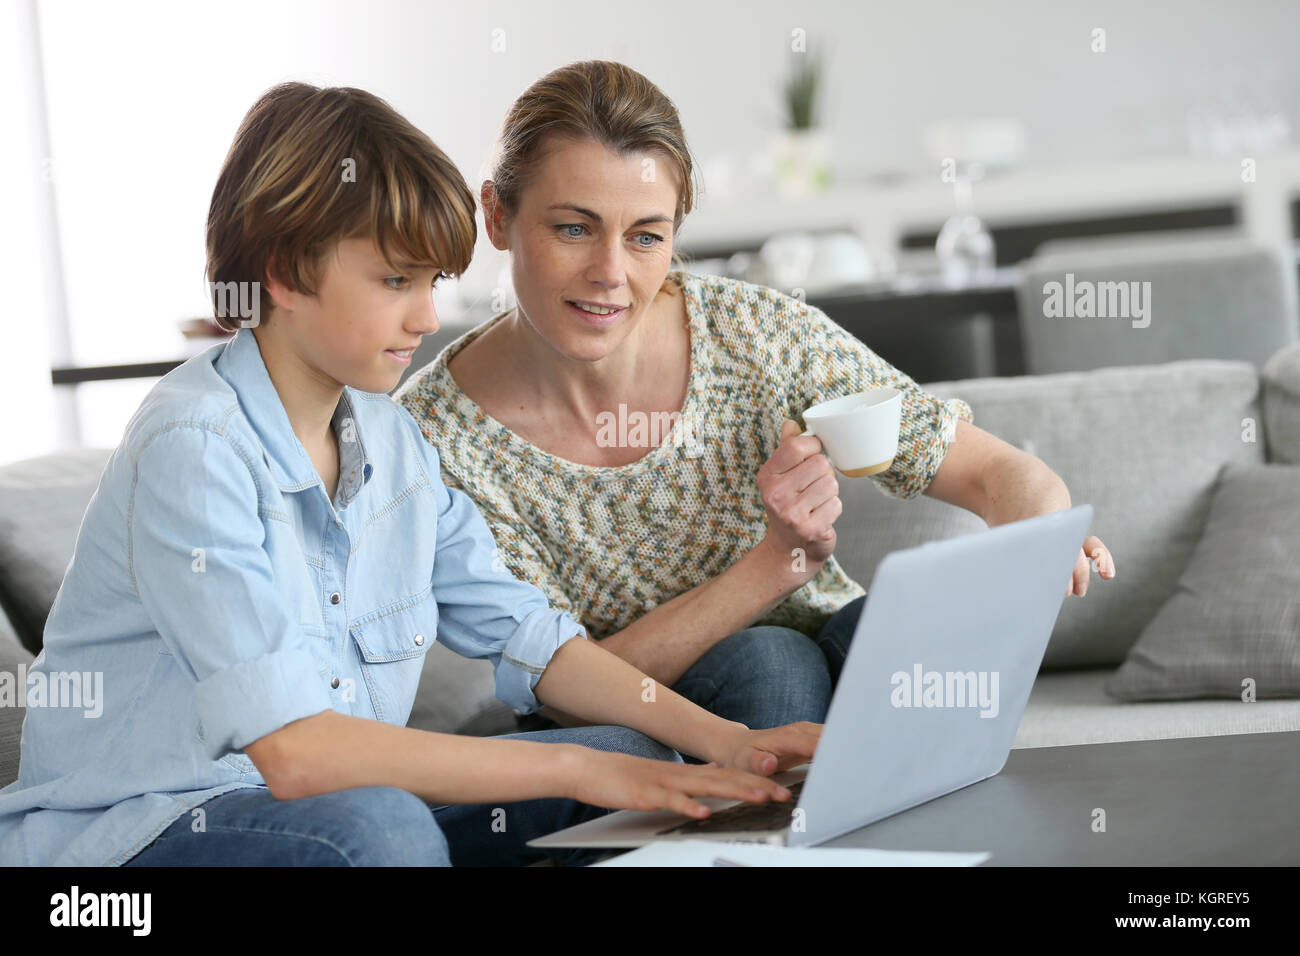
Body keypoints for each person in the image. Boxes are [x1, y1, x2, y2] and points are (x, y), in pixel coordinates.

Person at [0, 81, 819, 868]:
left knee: (628, 748)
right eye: (396, 280)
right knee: (388, 827)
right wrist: (576, 772)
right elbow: (297, 753)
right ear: (284, 271)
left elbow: (531, 640)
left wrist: (726, 741)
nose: (426, 318)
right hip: (148, 833)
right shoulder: (195, 448)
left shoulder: (392, 441)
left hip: (342, 805)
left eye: (432, 283)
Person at [396, 60, 1116, 736]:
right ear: (495, 215)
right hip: (624, 724)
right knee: (769, 662)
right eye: (573, 228)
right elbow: (567, 685)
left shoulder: (754, 335)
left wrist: (1039, 539)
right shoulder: (433, 436)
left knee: (897, 628)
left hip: (822, 662)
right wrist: (778, 564)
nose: (610, 272)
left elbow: (1001, 475)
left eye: (645, 237)